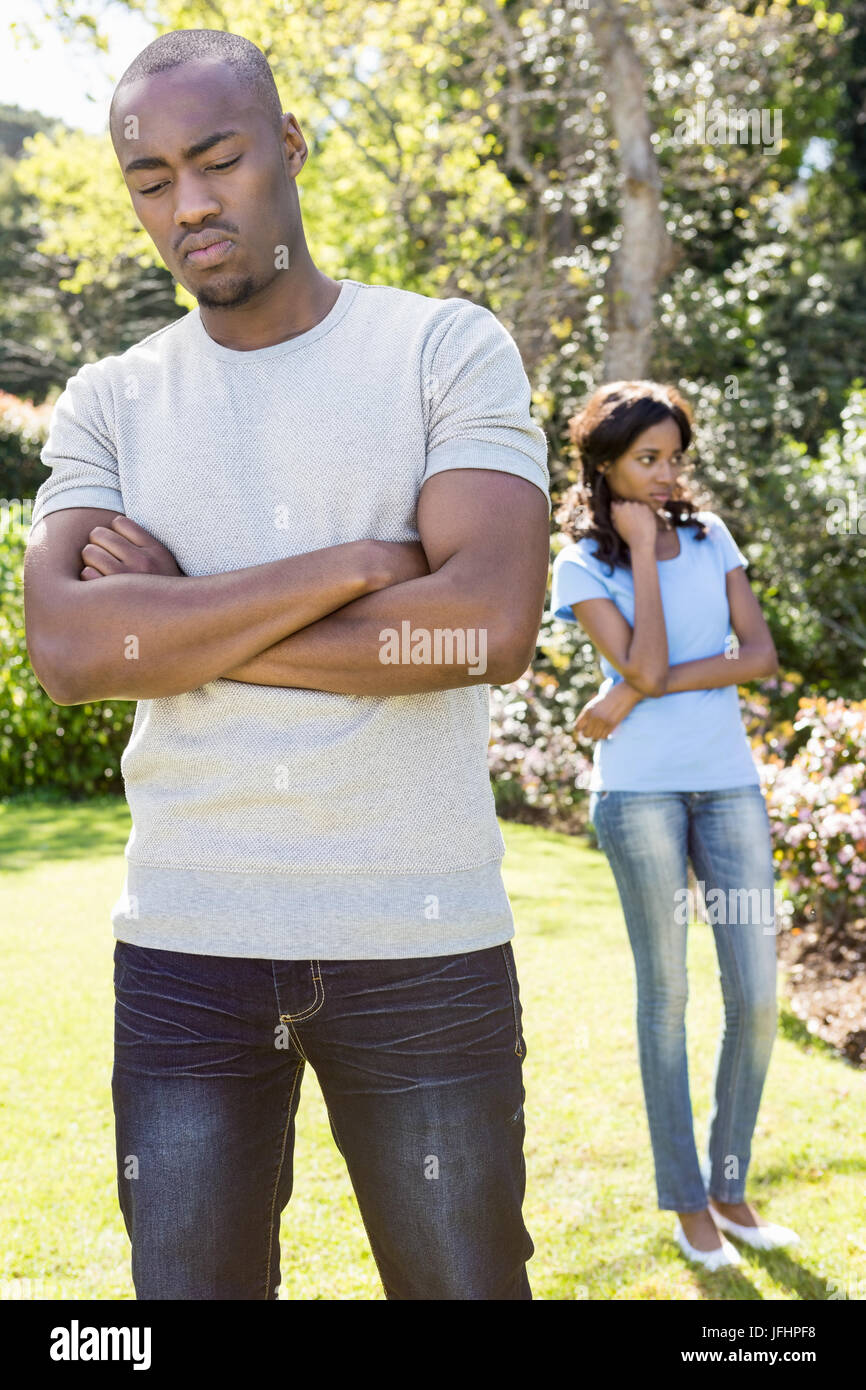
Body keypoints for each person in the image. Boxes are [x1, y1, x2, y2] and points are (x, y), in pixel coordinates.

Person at [23, 28, 552, 1300]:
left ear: (289, 146)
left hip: (417, 929)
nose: (188, 202)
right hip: (187, 944)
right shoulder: (107, 399)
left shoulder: (442, 347)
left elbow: (476, 630)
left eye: (217, 158)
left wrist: (182, 619)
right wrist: (357, 564)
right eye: (150, 177)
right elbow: (73, 650)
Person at [549, 380, 801, 1270]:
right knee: (667, 1001)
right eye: (646, 460)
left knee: (758, 999)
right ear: (606, 465)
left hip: (726, 786)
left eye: (673, 458)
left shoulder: (712, 533)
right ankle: (688, 1202)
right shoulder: (579, 563)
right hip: (643, 795)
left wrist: (624, 692)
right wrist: (644, 559)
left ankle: (730, 1187)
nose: (665, 476)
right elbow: (654, 655)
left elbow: (759, 655)